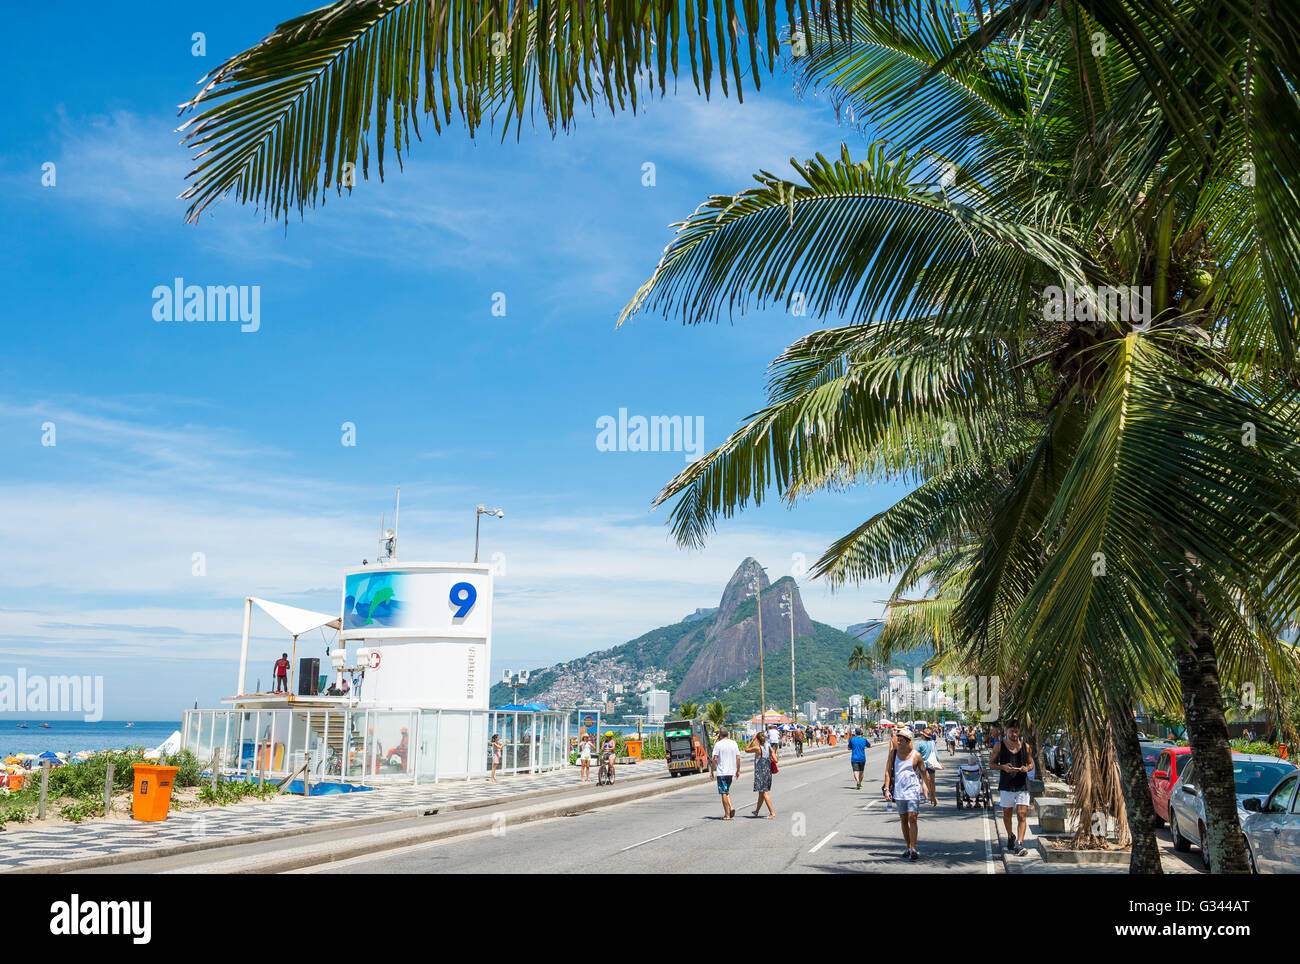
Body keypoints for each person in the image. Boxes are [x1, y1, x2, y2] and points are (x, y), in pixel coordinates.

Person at [884, 727, 928, 860]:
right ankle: (908, 846)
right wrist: (886, 789)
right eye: (898, 739)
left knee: (913, 818)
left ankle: (913, 848)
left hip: (913, 791)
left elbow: (924, 774)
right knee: (903, 820)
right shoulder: (894, 753)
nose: (898, 742)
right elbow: (887, 772)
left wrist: (930, 792)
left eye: (901, 740)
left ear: (909, 741)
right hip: (899, 792)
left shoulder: (916, 756)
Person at [991, 721, 1033, 856]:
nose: (1014, 734)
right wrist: (1003, 767)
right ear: (1006, 731)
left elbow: (1031, 764)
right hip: (1006, 785)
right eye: (1012, 731)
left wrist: (1027, 768)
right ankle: (1010, 835)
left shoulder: (1026, 747)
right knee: (1007, 814)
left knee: (1022, 814)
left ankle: (1019, 845)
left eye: (1016, 731)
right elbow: (991, 764)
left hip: (1022, 785)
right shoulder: (999, 746)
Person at [745, 731, 776, 818]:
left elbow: (746, 749)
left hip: (760, 773)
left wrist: (752, 740)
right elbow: (776, 760)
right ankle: (756, 811)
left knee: (765, 793)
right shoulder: (769, 747)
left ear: (758, 739)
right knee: (761, 793)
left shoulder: (757, 748)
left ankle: (772, 813)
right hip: (768, 772)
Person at [712, 727, 740, 819]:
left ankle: (727, 815)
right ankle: (731, 807)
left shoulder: (718, 745)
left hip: (722, 772)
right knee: (726, 790)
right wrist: (738, 770)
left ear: (720, 734)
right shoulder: (734, 743)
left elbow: (715, 759)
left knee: (723, 792)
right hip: (731, 771)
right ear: (728, 733)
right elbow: (738, 758)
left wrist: (712, 770)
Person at [915, 727, 940, 805]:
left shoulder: (920, 743)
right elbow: (936, 755)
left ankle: (926, 798)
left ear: (923, 736)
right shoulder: (932, 743)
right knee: (932, 781)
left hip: (922, 765)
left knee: (924, 782)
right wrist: (939, 762)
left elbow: (915, 754)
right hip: (931, 764)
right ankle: (933, 796)